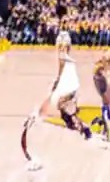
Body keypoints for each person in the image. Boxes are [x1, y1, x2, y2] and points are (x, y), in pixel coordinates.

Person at [21, 30, 92, 171]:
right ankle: (81, 127)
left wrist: (57, 82)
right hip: (71, 88)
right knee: (64, 110)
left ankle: (81, 127)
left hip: (69, 88)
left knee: (61, 107)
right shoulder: (66, 57)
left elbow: (61, 70)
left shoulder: (62, 57)